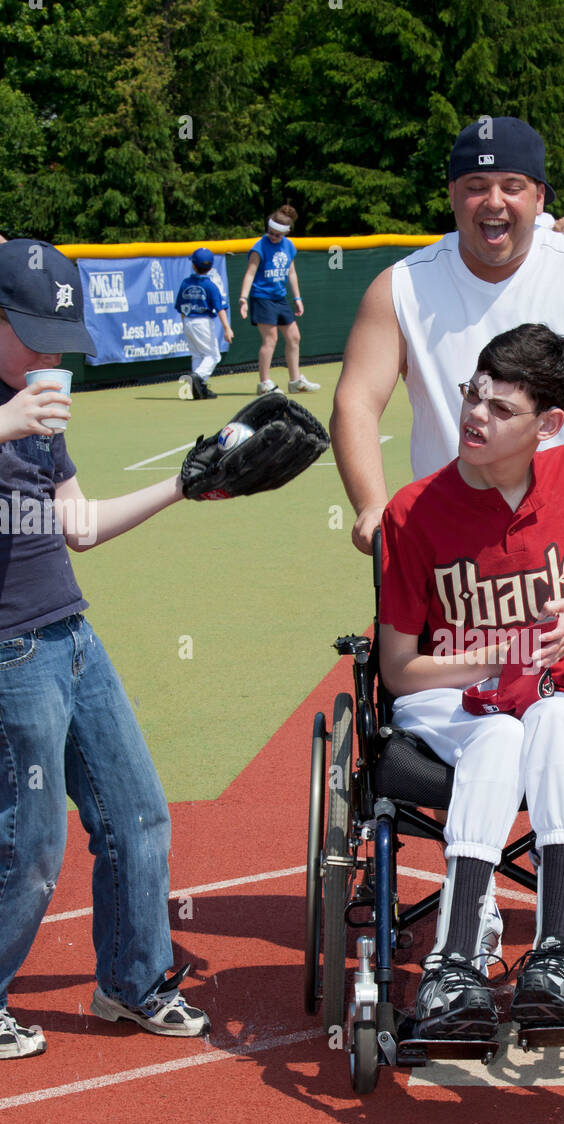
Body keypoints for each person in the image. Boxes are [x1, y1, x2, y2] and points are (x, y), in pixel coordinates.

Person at [379, 324, 564, 1039]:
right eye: (472, 395)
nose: (475, 416)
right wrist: (500, 655)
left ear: (549, 424)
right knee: (505, 732)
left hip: (554, 702)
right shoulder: (412, 512)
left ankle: (559, 953)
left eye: (499, 409)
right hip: (447, 705)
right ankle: (453, 962)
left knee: (553, 717)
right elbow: (397, 668)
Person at [0, 239, 210, 1058]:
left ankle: (132, 980)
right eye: (31, 335)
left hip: (70, 632)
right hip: (10, 655)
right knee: (29, 842)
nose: (51, 357)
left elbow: (77, 526)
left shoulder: (39, 404)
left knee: (136, 813)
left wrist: (187, 485)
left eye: (60, 340)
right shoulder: (16, 407)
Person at [330, 116, 564, 557]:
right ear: (452, 195)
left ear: (539, 198)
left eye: (512, 186)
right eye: (476, 185)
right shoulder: (399, 287)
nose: (494, 202)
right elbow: (356, 402)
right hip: (446, 550)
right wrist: (371, 505)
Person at [238, 204, 320, 396]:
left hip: (280, 298)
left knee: (294, 337)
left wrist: (297, 297)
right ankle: (264, 383)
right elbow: (250, 274)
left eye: (277, 234)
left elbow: (291, 273)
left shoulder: (288, 246)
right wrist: (243, 299)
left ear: (285, 233)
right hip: (262, 297)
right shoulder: (259, 247)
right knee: (271, 339)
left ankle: (295, 381)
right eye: (271, 232)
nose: (273, 237)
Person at [175, 246, 233, 400]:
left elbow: (181, 307)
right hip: (203, 322)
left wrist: (185, 324)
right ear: (210, 267)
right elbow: (220, 308)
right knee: (213, 356)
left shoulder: (185, 283)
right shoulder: (210, 285)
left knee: (197, 355)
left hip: (188, 320)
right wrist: (227, 328)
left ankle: (197, 389)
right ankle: (198, 377)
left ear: (194, 265)